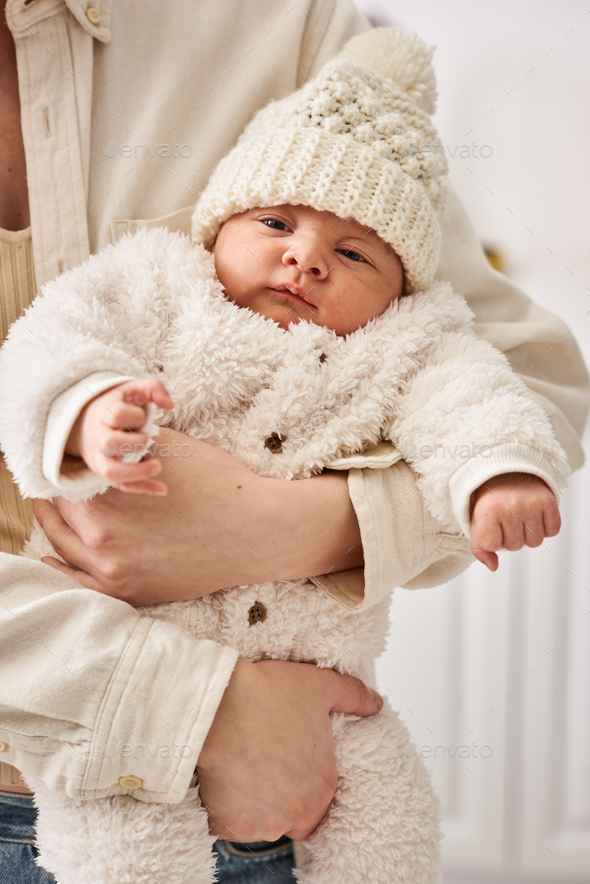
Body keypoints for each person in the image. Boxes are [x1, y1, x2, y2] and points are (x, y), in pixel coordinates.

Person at [0, 2, 588, 883]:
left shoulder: (289, 27)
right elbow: (61, 339)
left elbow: (505, 384)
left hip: (294, 747)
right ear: (220, 226)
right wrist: (85, 409)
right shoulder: (162, 281)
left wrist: (322, 522)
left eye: (353, 253)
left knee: (388, 818)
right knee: (122, 850)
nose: (307, 260)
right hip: (92, 751)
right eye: (275, 225)